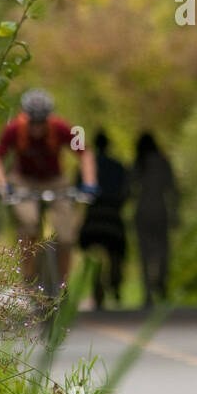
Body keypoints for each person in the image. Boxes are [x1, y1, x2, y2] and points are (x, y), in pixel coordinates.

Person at [0, 89, 97, 290]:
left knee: (66, 236)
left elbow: (85, 153)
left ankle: (62, 285)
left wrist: (89, 184)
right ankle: (28, 279)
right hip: (24, 182)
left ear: (49, 117)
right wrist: (3, 186)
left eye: (41, 121)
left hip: (55, 182)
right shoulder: (13, 130)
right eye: (33, 122)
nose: (37, 127)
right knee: (28, 224)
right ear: (25, 116)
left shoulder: (61, 128)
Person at [78, 130, 129, 308]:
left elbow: (78, 191)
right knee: (116, 252)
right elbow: (126, 191)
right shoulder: (118, 166)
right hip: (113, 215)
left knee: (93, 254)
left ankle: (97, 288)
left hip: (93, 216)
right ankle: (115, 283)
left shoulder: (85, 167)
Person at [131, 132, 178, 306]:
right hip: (160, 210)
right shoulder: (163, 163)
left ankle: (148, 293)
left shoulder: (138, 163)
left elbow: (128, 189)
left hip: (142, 211)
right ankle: (161, 281)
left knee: (144, 253)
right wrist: (174, 214)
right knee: (163, 249)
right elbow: (172, 190)